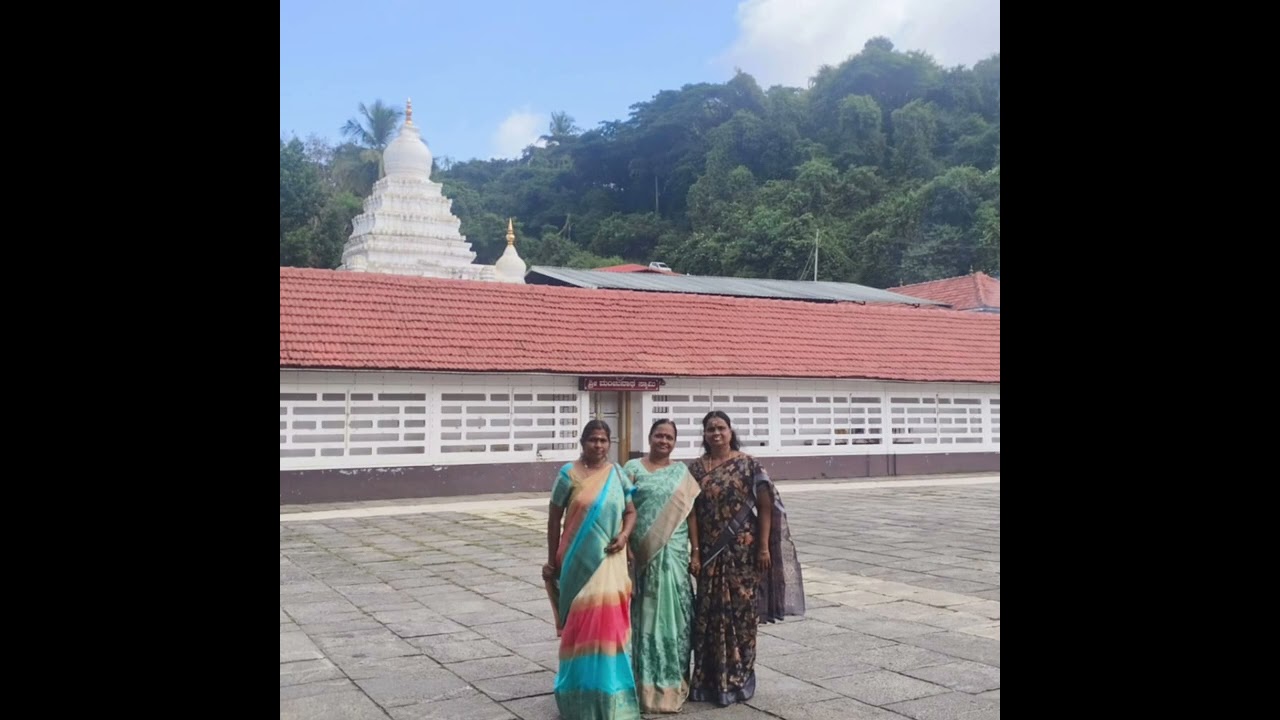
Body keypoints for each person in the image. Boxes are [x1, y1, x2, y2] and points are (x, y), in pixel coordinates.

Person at [688, 411, 805, 707]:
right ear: (704, 434)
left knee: (741, 616)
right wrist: (697, 551)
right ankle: (707, 681)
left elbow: (766, 507)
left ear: (730, 432)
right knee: (708, 615)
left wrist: (764, 547)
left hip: (743, 553)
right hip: (711, 554)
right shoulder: (695, 470)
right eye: (710, 429)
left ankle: (739, 679)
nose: (716, 434)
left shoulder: (748, 464)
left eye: (721, 428)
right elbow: (690, 513)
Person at [543, 419, 641, 720]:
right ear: (582, 442)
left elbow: (630, 512)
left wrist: (624, 536)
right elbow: (553, 520)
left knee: (610, 628)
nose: (598, 445)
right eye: (593, 440)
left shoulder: (617, 474)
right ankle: (578, 697)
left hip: (611, 564)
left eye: (603, 440)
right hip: (576, 564)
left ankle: (611, 696)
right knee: (580, 628)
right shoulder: (567, 475)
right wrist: (552, 561)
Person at [623, 419, 701, 713]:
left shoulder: (683, 473)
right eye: (659, 435)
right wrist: (627, 542)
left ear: (675, 441)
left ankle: (672, 681)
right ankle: (644, 684)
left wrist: (695, 551)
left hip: (676, 553)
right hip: (643, 554)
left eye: (669, 437)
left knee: (677, 617)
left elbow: (691, 514)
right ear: (650, 437)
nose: (664, 441)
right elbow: (623, 510)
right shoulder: (631, 469)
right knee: (644, 614)